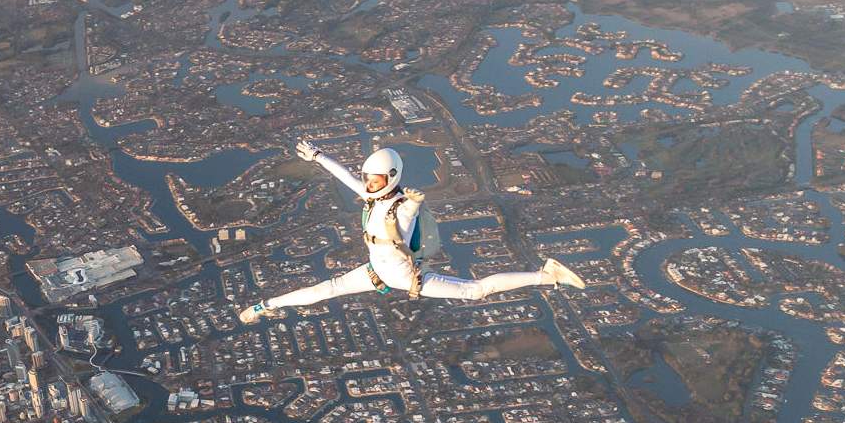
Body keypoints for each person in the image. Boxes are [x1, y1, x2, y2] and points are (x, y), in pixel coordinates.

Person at [237, 143, 585, 323]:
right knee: (323, 291)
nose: (368, 184)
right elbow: (345, 178)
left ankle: (546, 275)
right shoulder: (375, 198)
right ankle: (264, 305)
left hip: (408, 278)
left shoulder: (401, 205)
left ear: (390, 176)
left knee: (476, 292)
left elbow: (407, 211)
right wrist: (319, 157)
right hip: (375, 273)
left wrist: (413, 205)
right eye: (368, 178)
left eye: (374, 179)